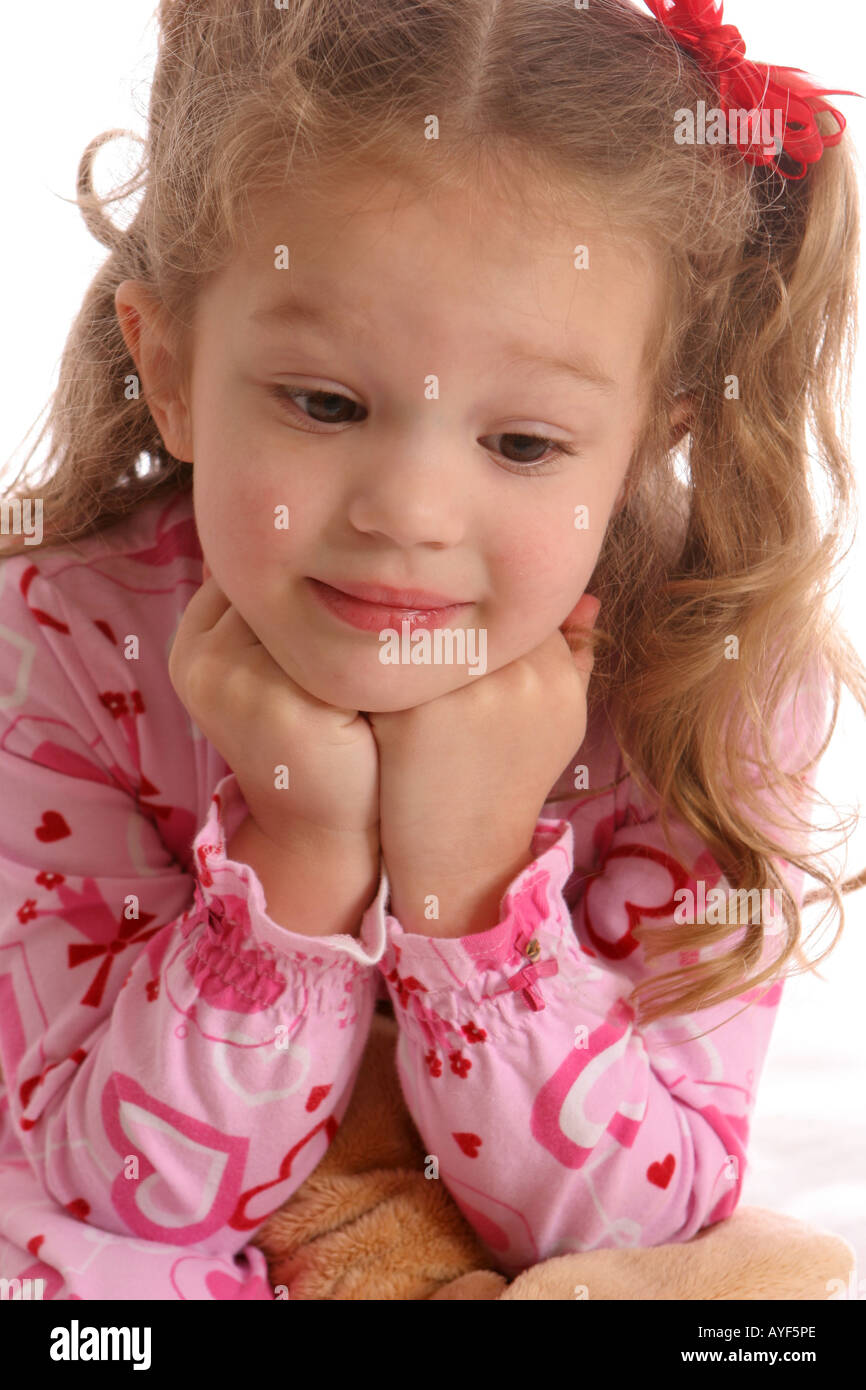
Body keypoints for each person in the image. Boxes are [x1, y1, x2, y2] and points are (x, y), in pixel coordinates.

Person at [0, 0, 863, 1300]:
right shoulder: (61, 639)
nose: (406, 512)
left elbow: (617, 1229)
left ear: (643, 443)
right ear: (168, 368)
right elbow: (123, 1184)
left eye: (522, 445)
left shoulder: (714, 684)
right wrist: (299, 856)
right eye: (324, 403)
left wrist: (467, 884)